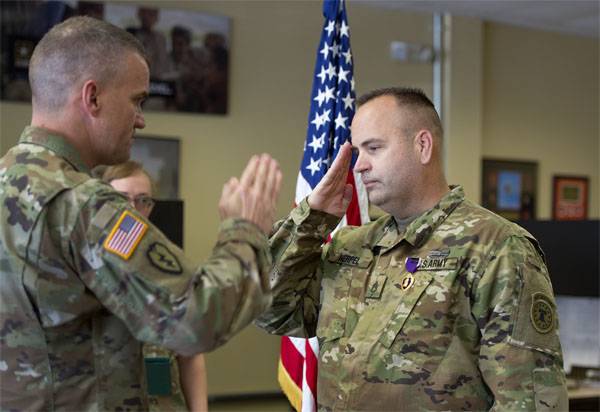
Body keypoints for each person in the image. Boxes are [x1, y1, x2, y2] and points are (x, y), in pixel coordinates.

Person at [0, 16, 282, 410]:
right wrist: (246, 231)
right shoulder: (84, 204)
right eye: (137, 100)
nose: (142, 119)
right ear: (92, 97)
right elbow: (194, 318)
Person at [256, 87, 567, 410]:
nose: (358, 166)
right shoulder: (352, 246)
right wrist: (310, 221)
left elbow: (527, 400)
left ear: (422, 146)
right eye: (357, 152)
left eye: (373, 148)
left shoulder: (496, 248)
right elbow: (269, 311)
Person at [101, 161, 208, 412]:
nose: (133, 208)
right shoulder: (84, 262)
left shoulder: (168, 264)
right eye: (121, 198)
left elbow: (191, 352)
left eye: (143, 200)